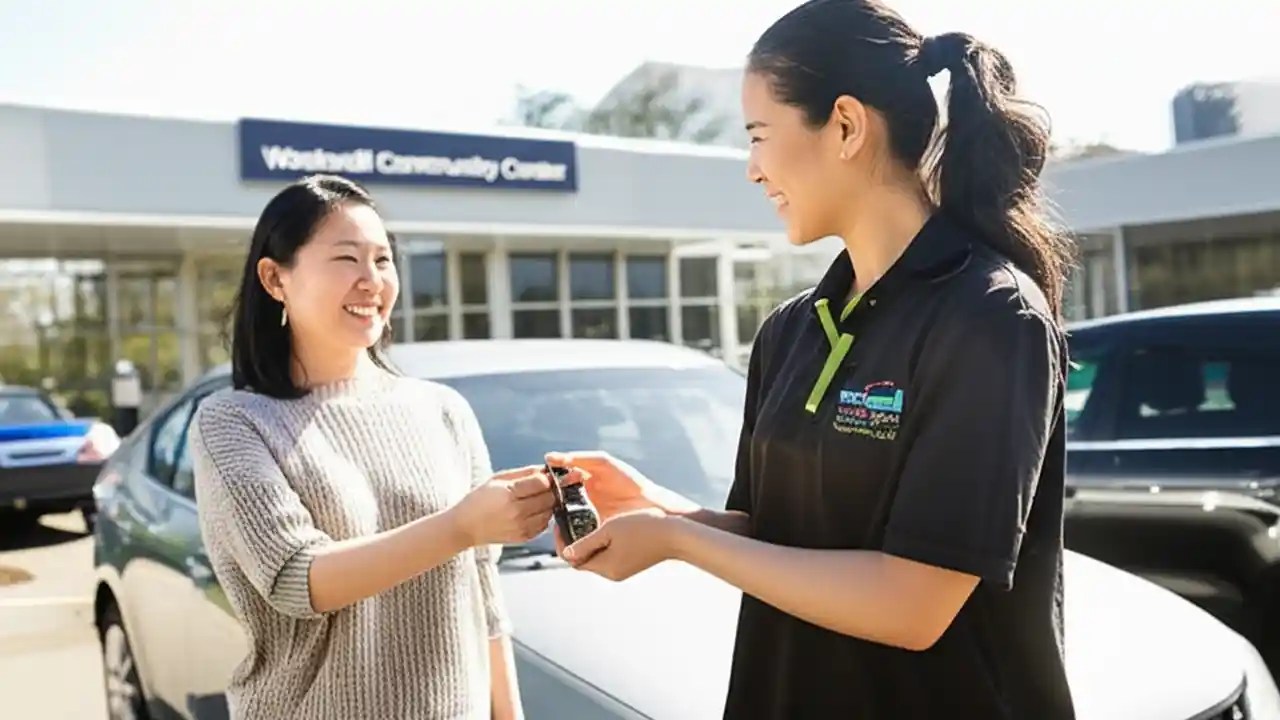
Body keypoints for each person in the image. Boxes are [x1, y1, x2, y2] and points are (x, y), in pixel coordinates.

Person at [548, 1, 1077, 718]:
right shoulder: (792, 329)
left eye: (760, 135)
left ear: (848, 126)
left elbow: (913, 605)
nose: (752, 169)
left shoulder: (990, 317)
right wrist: (651, 505)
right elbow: (778, 538)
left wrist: (676, 541)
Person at [190, 174, 563, 720]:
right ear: (274, 278)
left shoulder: (442, 410)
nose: (372, 281)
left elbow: (483, 599)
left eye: (383, 261)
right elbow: (300, 578)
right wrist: (461, 525)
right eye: (346, 259)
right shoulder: (233, 422)